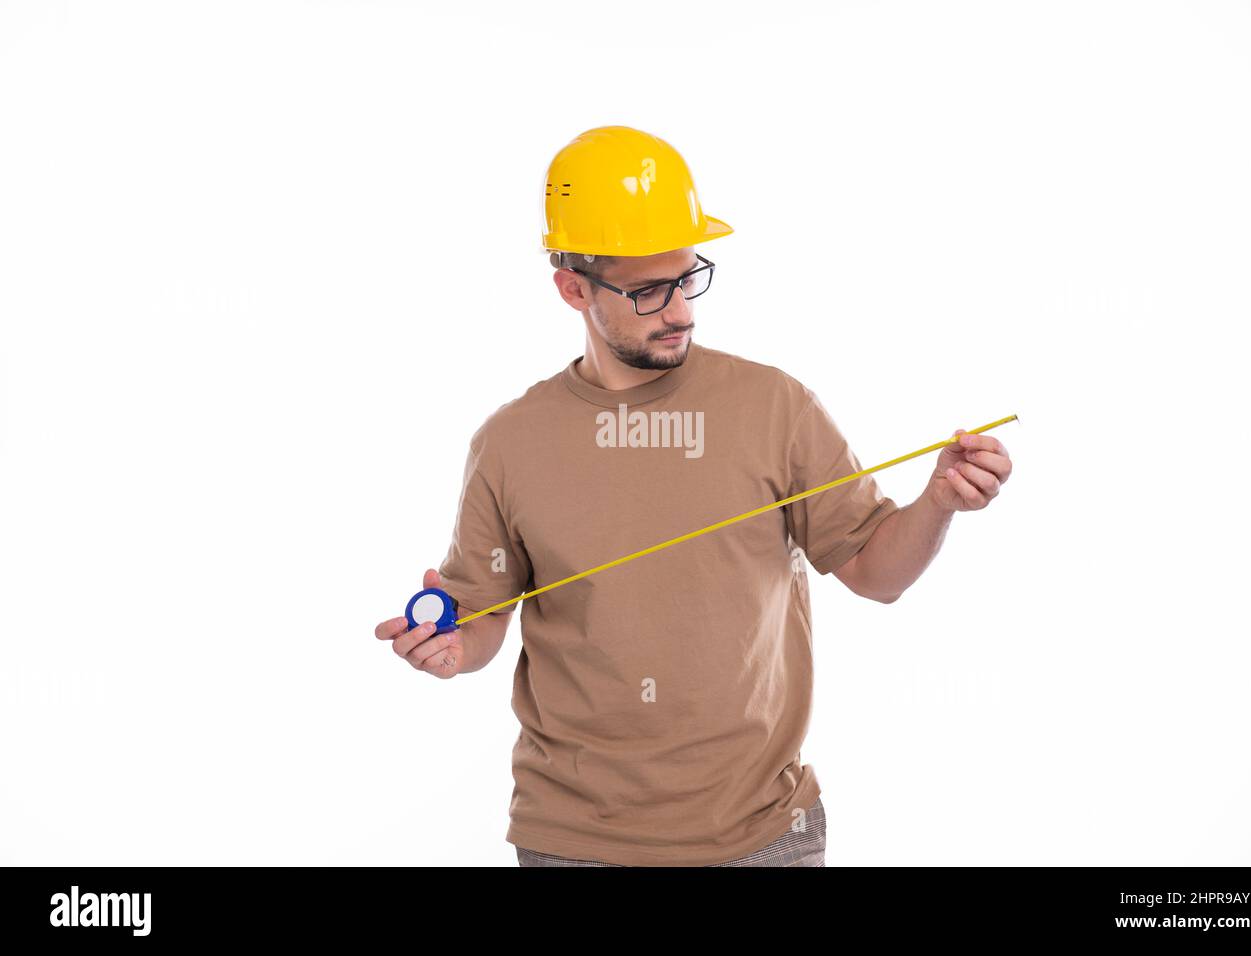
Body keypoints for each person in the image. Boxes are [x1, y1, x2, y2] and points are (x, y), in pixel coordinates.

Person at [374, 126, 1013, 866]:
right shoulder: (510, 442)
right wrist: (452, 646)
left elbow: (876, 574)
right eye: (645, 290)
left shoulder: (775, 406)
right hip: (576, 841)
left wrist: (937, 503)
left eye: (687, 277)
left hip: (763, 835)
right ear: (572, 287)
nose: (679, 309)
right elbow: (481, 617)